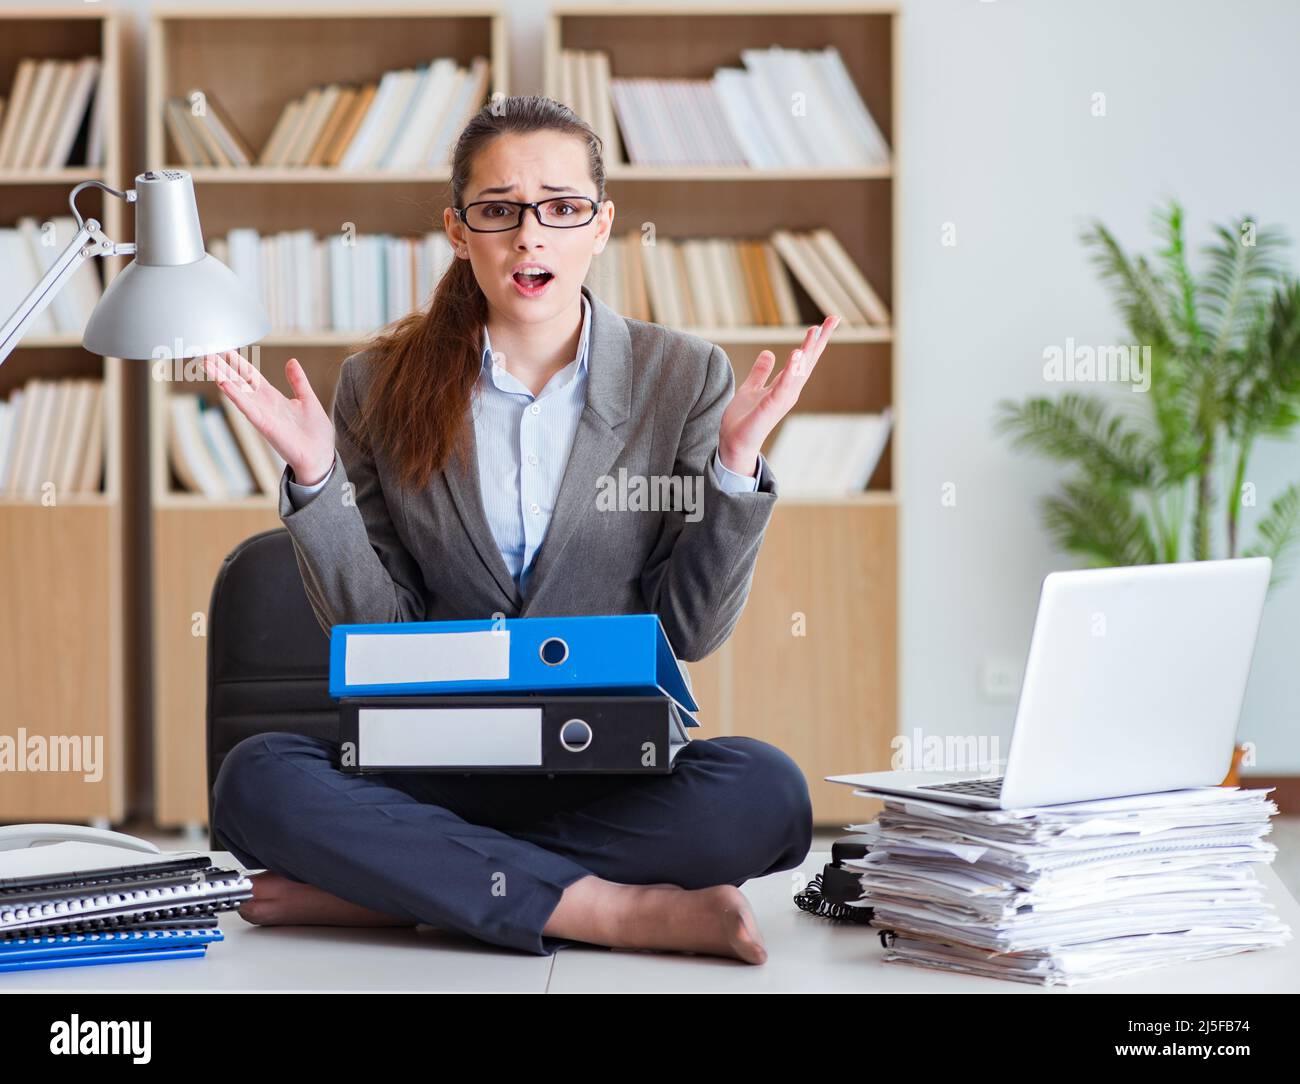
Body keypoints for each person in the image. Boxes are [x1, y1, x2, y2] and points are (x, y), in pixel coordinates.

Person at [206, 95, 840, 965]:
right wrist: (316, 477)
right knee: (256, 781)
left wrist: (734, 465)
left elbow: (689, 631)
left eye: (561, 207)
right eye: (498, 209)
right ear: (460, 231)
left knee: (768, 794)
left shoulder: (683, 377)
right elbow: (377, 634)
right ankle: (610, 910)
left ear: (600, 225)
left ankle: (394, 894)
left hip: (606, 772)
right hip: (430, 772)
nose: (529, 235)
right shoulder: (376, 385)